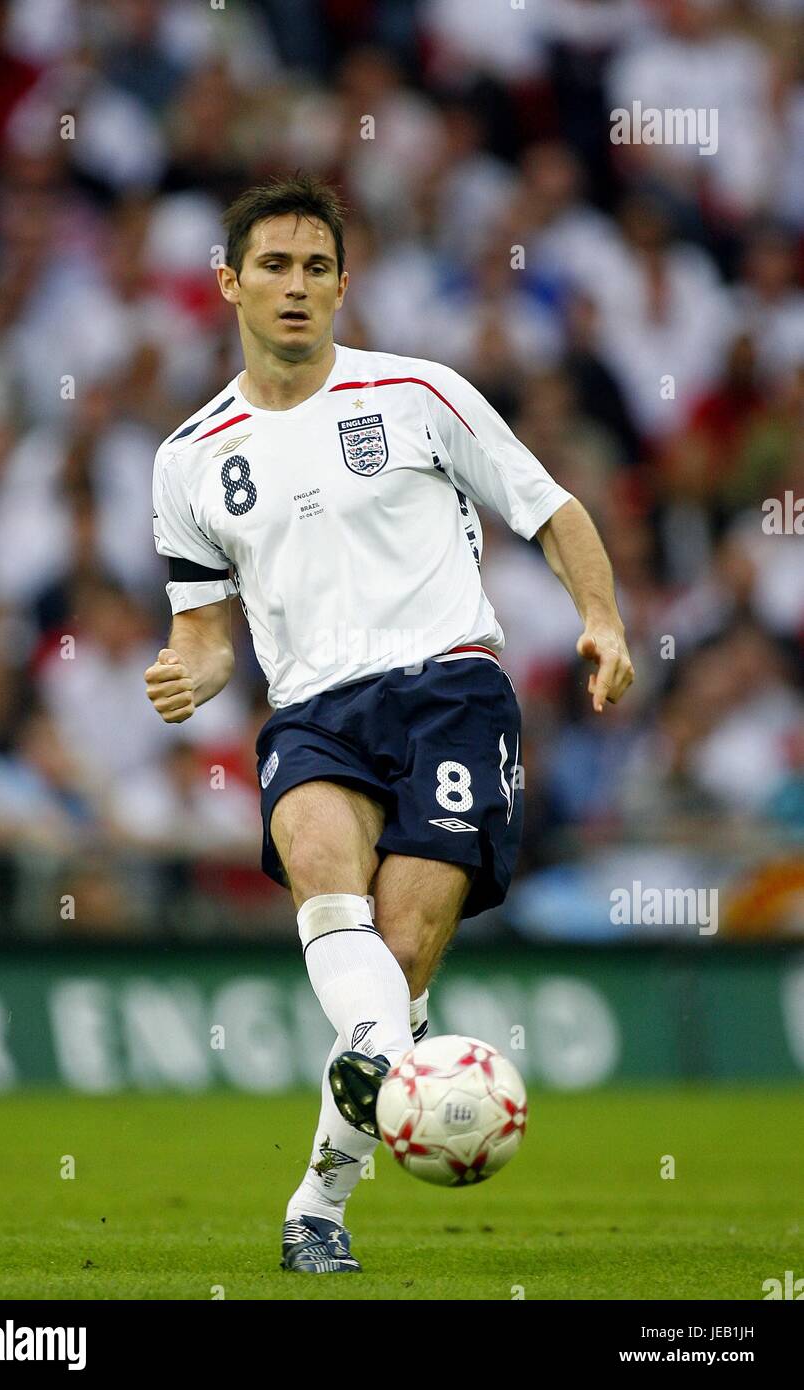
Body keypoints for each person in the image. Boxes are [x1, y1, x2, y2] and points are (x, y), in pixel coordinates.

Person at [144, 173, 634, 1273]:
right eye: (273, 264)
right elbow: (208, 635)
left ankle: (318, 1192)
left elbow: (547, 504)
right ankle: (380, 1057)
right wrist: (188, 673)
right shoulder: (187, 458)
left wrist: (598, 618)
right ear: (228, 283)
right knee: (328, 887)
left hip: (448, 691)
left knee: (401, 952)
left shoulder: (417, 392)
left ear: (342, 284)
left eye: (316, 266)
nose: (296, 285)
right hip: (310, 713)